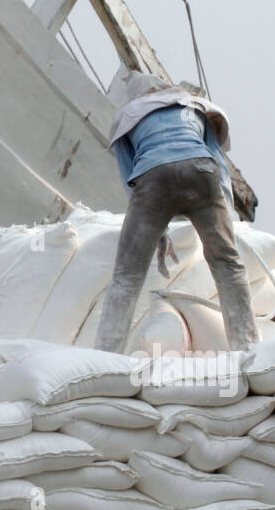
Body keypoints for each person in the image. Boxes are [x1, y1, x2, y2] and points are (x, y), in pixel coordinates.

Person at [95, 72, 257, 355]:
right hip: (202, 173)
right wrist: (228, 220)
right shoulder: (191, 106)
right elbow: (219, 166)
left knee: (126, 277)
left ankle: (107, 358)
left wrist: (159, 230)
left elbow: (130, 179)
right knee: (229, 266)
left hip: (154, 179)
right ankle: (247, 350)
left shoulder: (127, 119)